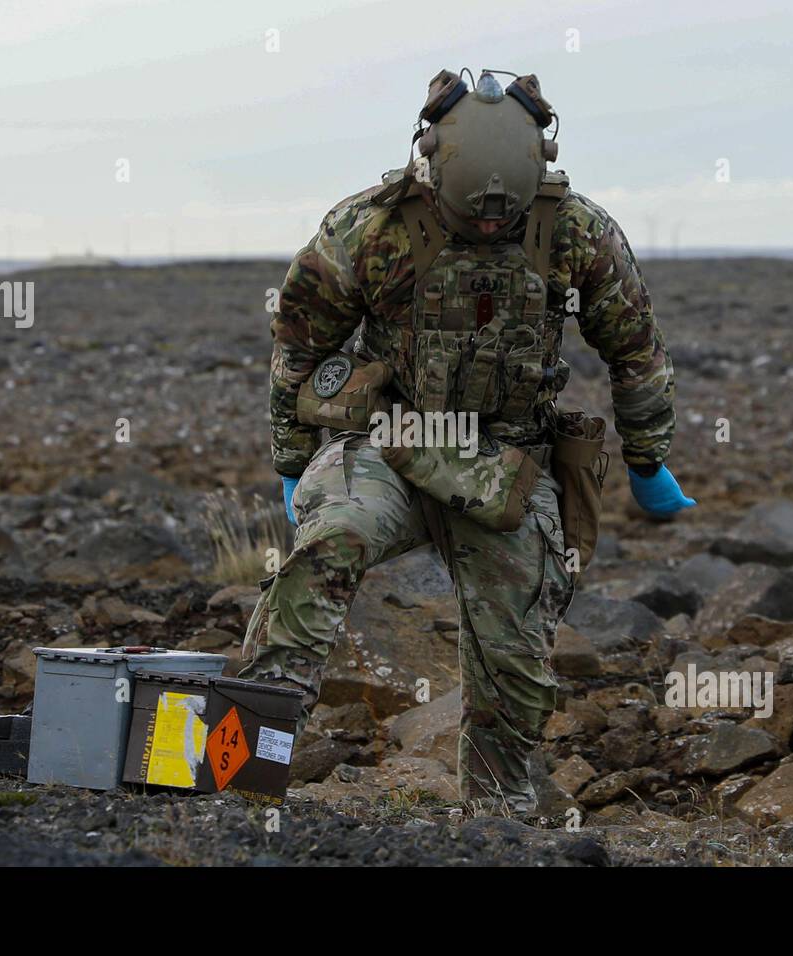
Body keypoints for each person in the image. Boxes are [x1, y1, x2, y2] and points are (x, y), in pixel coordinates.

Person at [239, 68, 695, 812]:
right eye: (472, 217)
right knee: (329, 548)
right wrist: (294, 464)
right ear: (429, 166)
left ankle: (496, 819)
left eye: (501, 219)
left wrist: (649, 459)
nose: (488, 228)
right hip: (388, 445)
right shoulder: (370, 230)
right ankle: (244, 765)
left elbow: (635, 347)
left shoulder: (575, 232)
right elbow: (301, 343)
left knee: (514, 650)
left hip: (505, 467)